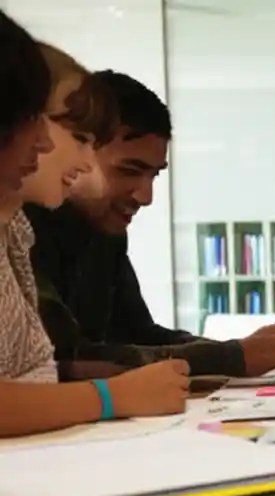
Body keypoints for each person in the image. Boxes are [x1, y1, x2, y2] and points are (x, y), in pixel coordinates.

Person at [26, 70, 275, 378]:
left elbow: (138, 334)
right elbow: (63, 358)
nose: (146, 196)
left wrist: (244, 349)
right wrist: (232, 356)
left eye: (154, 175)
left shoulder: (106, 233)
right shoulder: (20, 227)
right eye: (129, 170)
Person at [0, 16, 187, 438]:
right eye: (79, 136)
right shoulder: (26, 225)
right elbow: (62, 361)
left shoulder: (15, 230)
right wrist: (111, 396)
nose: (43, 143)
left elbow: (40, 372)